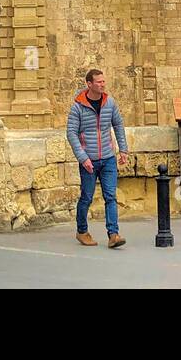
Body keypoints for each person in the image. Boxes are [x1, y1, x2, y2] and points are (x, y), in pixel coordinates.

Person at [67, 68, 129, 248]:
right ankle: (82, 231)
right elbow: (71, 133)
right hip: (89, 160)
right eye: (99, 82)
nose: (103, 84)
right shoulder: (78, 106)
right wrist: (82, 157)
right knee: (86, 197)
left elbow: (118, 124)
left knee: (111, 196)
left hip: (108, 157)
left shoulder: (109, 103)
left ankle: (113, 234)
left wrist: (122, 150)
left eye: (103, 81)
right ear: (89, 84)